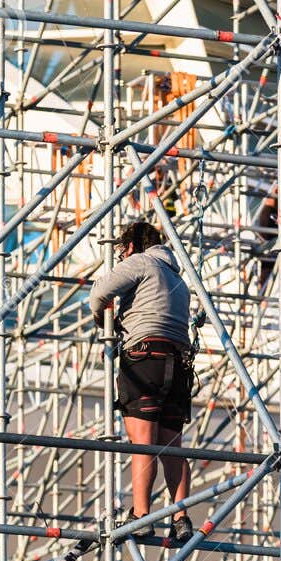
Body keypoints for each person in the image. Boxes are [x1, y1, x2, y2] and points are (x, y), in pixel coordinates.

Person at [90, 219, 194, 543]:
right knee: (171, 447)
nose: (122, 256)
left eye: (123, 250)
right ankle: (180, 518)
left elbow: (99, 293)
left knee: (143, 441)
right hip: (178, 364)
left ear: (133, 245)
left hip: (144, 358)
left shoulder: (141, 262)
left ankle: (141, 515)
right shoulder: (177, 278)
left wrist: (102, 316)